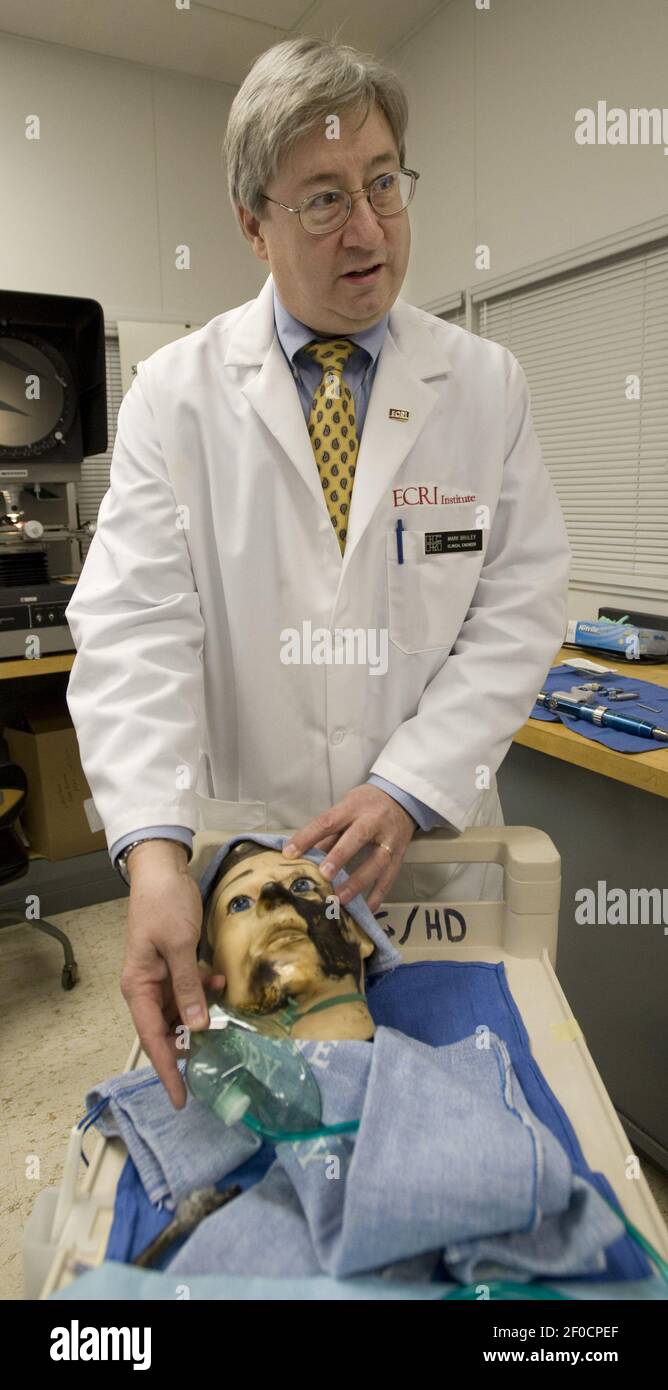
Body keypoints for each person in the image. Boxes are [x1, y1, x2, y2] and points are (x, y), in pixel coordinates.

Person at [65, 35, 571, 1108]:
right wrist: (153, 853)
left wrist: (407, 782)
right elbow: (136, 625)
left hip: (429, 845)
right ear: (252, 224)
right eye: (323, 199)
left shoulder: (483, 385)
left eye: (383, 184)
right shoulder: (174, 395)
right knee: (265, 1118)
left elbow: (520, 602)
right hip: (250, 858)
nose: (369, 228)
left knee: (462, 1097)